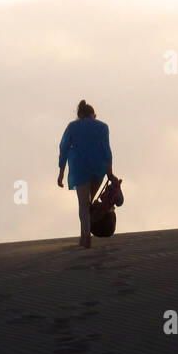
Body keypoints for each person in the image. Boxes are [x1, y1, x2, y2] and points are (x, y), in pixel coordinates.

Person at [57, 101, 118, 248]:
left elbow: (64, 149)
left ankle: (85, 238)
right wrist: (110, 172)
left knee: (83, 204)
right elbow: (107, 150)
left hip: (80, 168)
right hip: (98, 168)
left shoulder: (72, 127)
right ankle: (87, 235)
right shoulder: (103, 127)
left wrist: (61, 173)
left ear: (80, 116)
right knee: (89, 204)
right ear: (92, 115)